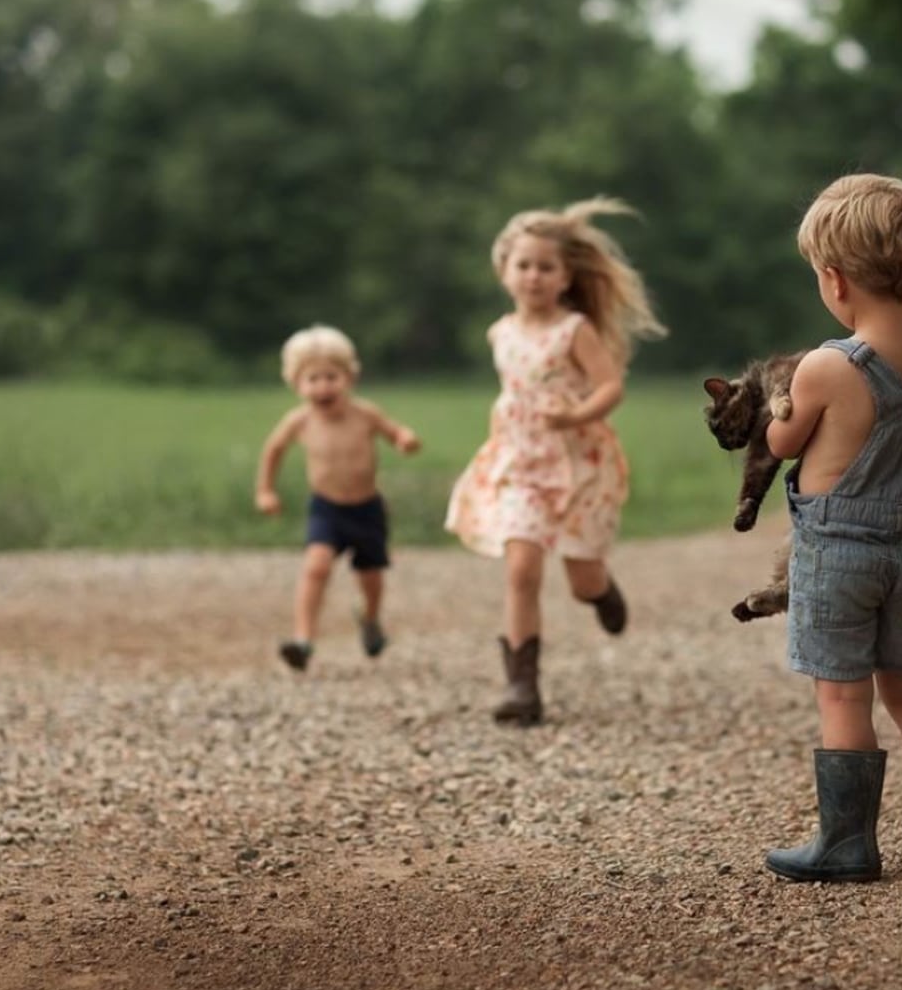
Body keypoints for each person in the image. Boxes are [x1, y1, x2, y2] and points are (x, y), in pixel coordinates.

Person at [761, 174, 902, 882]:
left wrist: (775, 399)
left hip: (840, 559)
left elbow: (780, 444)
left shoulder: (828, 365)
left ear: (834, 280)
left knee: (843, 692)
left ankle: (847, 842)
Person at [446, 198, 666, 724]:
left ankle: (601, 590)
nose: (534, 276)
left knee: (580, 577)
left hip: (578, 466)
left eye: (546, 267)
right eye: (523, 265)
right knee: (521, 567)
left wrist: (575, 416)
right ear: (504, 271)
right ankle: (522, 688)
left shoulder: (573, 331)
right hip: (521, 465)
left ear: (566, 276)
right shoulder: (501, 333)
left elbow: (610, 387)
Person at [256, 325, 420, 672]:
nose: (323, 386)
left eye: (331, 376)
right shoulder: (299, 421)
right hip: (327, 508)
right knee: (316, 566)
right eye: (312, 379)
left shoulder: (365, 414)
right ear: (297, 385)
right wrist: (266, 490)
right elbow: (273, 450)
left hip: (366, 508)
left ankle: (370, 618)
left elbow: (393, 431)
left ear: (349, 378)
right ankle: (303, 640)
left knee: (371, 576)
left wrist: (405, 439)